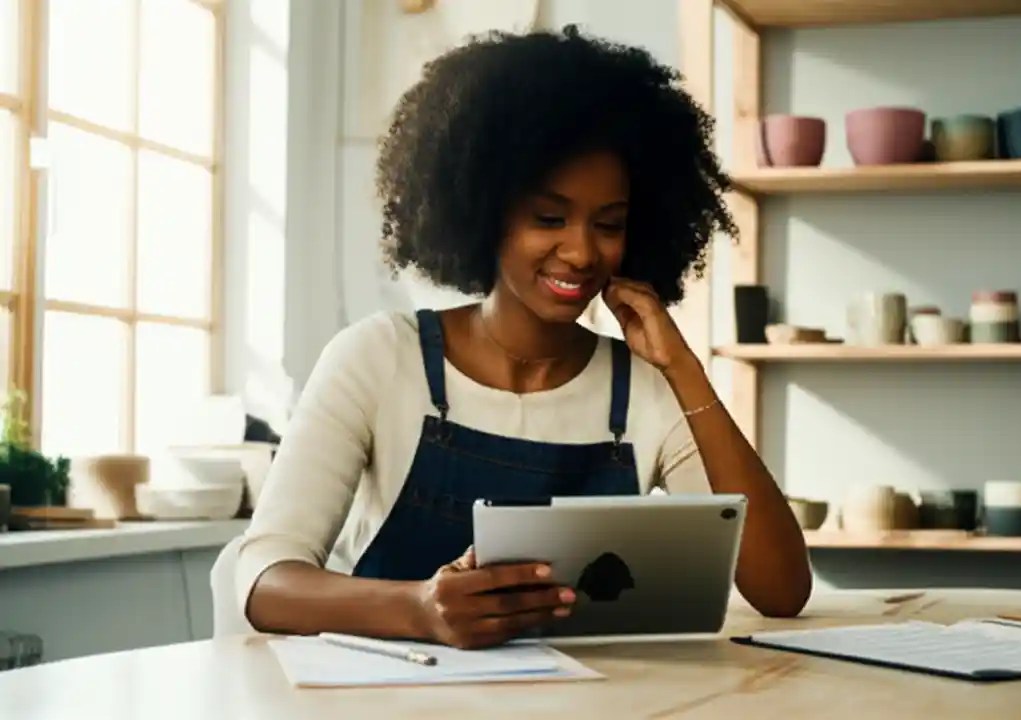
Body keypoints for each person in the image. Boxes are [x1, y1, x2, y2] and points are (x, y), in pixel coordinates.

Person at [237, 26, 812, 649]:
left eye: (609, 224)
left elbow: (781, 592)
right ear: (485, 212)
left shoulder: (647, 387)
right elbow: (266, 584)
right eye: (548, 218)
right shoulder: (379, 358)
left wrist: (686, 372)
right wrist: (421, 608)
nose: (581, 251)